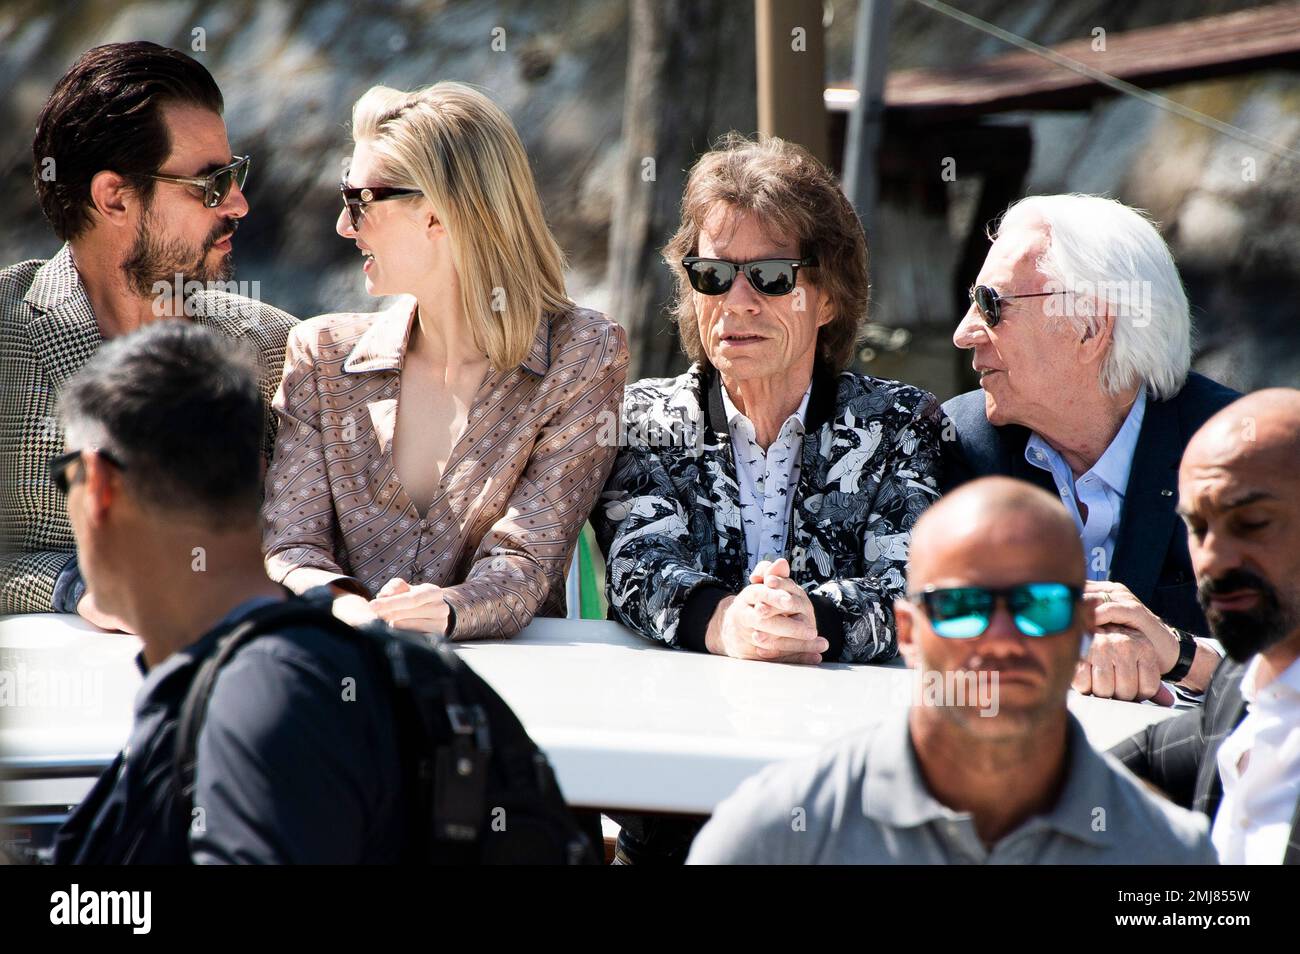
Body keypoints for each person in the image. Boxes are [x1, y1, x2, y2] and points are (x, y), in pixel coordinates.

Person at [592, 132, 943, 865]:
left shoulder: (899, 422)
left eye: (773, 276)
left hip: (854, 803)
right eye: (713, 275)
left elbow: (913, 585)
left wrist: (807, 617)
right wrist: (729, 621)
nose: (737, 302)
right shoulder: (643, 418)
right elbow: (639, 567)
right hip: (678, 808)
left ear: (828, 298)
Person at [687, 477, 1218, 864]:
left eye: (1038, 606)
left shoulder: (1169, 857)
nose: (1004, 640)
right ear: (909, 632)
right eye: (964, 607)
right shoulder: (775, 839)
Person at [262, 82, 627, 639]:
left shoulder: (580, 354)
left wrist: (448, 610)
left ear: (435, 215)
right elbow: (292, 543)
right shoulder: (321, 357)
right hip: (347, 684)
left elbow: (527, 560)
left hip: (504, 700)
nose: (343, 225)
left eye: (358, 201)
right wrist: (352, 611)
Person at [50, 321, 404, 864]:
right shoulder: (339, 672)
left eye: (63, 474)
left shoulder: (256, 703)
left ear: (98, 486)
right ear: (259, 472)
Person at [0, 41, 297, 626]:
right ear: (114, 197)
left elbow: (327, 544)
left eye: (234, 175)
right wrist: (75, 585)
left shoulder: (274, 348)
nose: (238, 203)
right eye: (211, 183)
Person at [943, 194, 1239, 706]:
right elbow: (929, 617)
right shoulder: (961, 443)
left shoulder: (1238, 455)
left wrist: (1181, 655)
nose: (964, 333)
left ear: (1089, 327)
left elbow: (1287, 669)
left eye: (991, 304)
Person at [1112, 389, 1300, 864]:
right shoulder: (1244, 685)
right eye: (1197, 528)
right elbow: (1149, 757)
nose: (1213, 558)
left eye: (1252, 523)